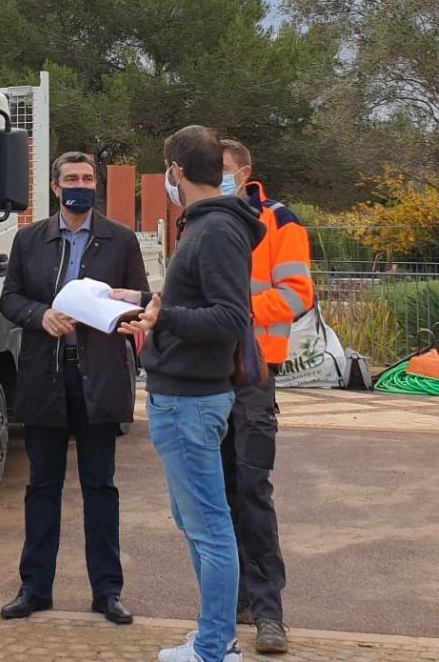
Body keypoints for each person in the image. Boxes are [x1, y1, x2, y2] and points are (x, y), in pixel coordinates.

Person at [117, 125, 262, 662]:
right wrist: (141, 298)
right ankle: (213, 641)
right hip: (182, 396)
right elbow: (196, 300)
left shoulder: (217, 230)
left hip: (190, 400)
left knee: (209, 527)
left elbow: (228, 317)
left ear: (175, 171)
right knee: (197, 522)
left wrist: (163, 317)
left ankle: (214, 647)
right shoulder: (208, 225)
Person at [0, 151, 151, 625]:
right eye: (71, 179)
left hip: (100, 378)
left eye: (87, 178)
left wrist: (124, 313)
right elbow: (10, 299)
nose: (80, 184)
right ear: (54, 188)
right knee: (42, 485)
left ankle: (107, 591)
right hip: (46, 376)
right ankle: (34, 588)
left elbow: (140, 299)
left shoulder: (120, 239)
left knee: (100, 487)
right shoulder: (30, 239)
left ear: (96, 185)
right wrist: (39, 316)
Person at [217, 139, 314, 655]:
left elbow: (297, 294)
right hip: (206, 374)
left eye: (223, 170)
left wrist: (234, 310)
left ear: (245, 172)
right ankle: (230, 603)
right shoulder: (197, 219)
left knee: (251, 492)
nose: (216, 178)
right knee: (218, 495)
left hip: (252, 374)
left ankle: (267, 611)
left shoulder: (281, 221)